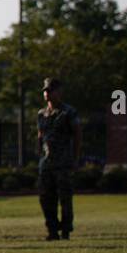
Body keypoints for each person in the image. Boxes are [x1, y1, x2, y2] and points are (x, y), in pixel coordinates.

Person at [37, 77, 81, 241]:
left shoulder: (68, 112)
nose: (47, 94)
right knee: (46, 198)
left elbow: (77, 135)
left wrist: (75, 159)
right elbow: (40, 135)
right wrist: (39, 154)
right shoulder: (42, 114)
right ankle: (52, 230)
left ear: (59, 92)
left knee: (65, 198)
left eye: (50, 90)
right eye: (45, 91)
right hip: (46, 163)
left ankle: (65, 230)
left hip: (63, 162)